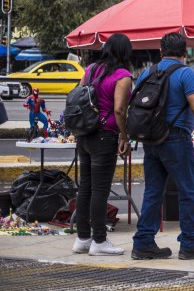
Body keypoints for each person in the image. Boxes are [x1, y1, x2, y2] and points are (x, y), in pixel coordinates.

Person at [132, 32, 194, 261]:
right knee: (188, 191)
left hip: (150, 139)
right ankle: (190, 244)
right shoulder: (185, 73)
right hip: (176, 139)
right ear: (185, 53)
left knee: (153, 191)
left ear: (161, 52)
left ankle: (143, 243)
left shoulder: (147, 73)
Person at [72, 33, 134, 257]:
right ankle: (99, 240)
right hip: (105, 136)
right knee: (99, 190)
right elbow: (119, 109)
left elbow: (78, 96)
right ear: (126, 52)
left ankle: (82, 238)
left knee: (85, 188)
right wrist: (124, 137)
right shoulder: (123, 75)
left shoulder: (90, 70)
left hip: (85, 134)